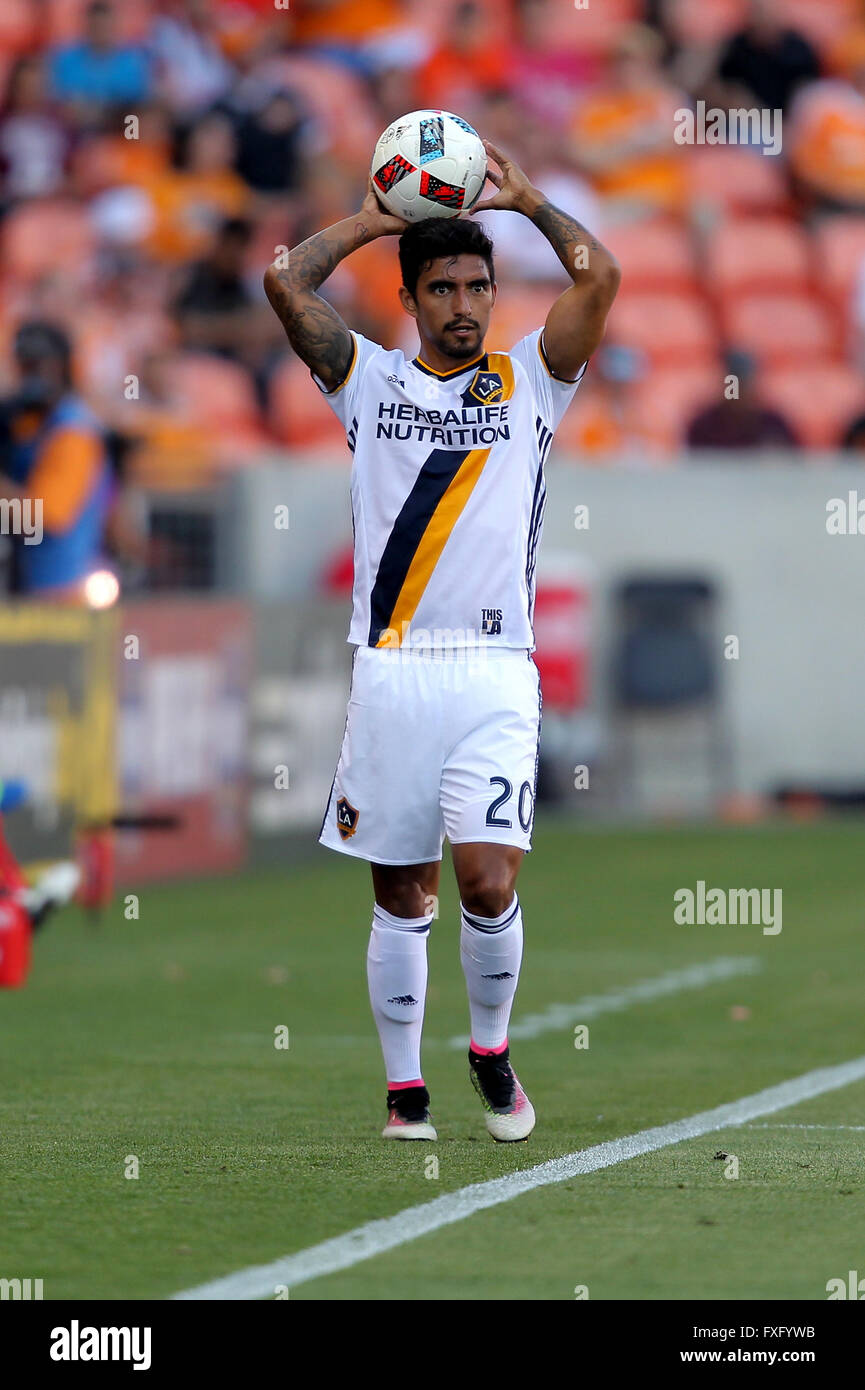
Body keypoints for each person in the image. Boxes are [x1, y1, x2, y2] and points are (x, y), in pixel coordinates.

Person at [264, 139, 620, 1142]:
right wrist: (373, 219)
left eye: (477, 286)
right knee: (401, 894)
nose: (464, 305)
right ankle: (403, 1090)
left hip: (494, 674)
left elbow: (601, 278)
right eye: (443, 288)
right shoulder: (366, 382)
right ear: (410, 298)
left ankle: (491, 1050)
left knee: (486, 881)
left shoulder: (532, 380)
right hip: (391, 671)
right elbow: (284, 281)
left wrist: (531, 201)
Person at [0, 321, 112, 598]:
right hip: (26, 586)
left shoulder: (73, 430)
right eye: (25, 365)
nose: (31, 376)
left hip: (62, 591)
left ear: (62, 367)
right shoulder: (27, 423)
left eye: (39, 365)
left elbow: (45, 518)